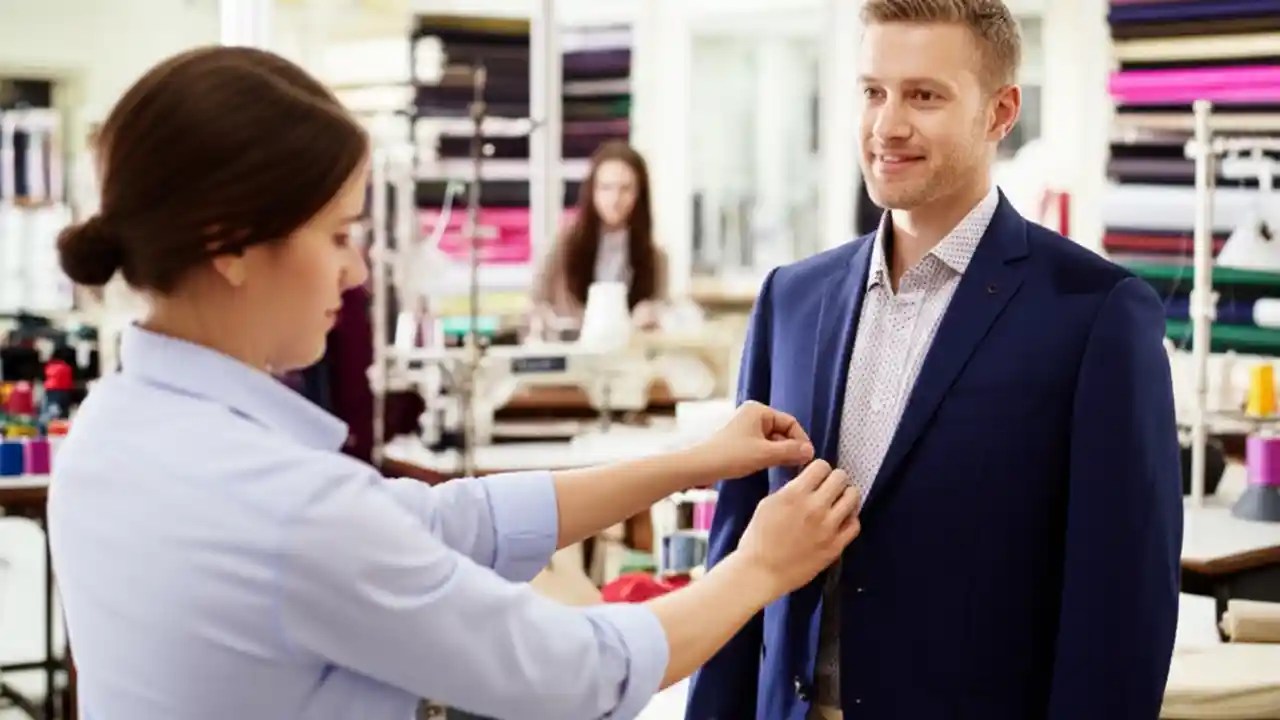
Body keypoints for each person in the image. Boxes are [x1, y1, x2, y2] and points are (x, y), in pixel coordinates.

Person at [46, 47, 864, 720]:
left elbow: (443, 522)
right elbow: (573, 672)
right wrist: (757, 567)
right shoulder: (287, 506)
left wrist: (689, 462)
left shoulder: (108, 432)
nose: (358, 268)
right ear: (228, 244)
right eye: (339, 234)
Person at [684, 2, 1183, 719]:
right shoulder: (790, 300)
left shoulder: (1097, 315)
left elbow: (1121, 613)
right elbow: (735, 558)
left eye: (924, 95)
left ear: (1000, 111)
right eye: (872, 91)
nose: (887, 125)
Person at [531, 140, 668, 334]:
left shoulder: (655, 257)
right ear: (592, 191)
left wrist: (650, 316)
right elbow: (535, 305)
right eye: (606, 187)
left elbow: (660, 313)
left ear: (639, 193)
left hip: (628, 357)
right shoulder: (564, 245)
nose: (615, 199)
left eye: (625, 189)